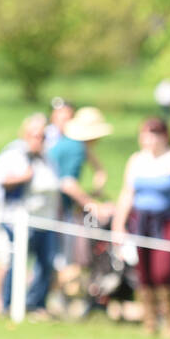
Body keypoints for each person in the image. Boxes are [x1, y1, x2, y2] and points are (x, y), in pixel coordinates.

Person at [113, 117, 170, 337]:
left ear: (165, 136)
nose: (150, 140)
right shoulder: (136, 160)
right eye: (145, 134)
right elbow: (127, 193)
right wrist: (119, 224)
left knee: (164, 271)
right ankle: (150, 322)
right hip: (141, 222)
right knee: (144, 272)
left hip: (167, 221)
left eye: (154, 134)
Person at [0, 114, 61, 318]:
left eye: (42, 136)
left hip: (46, 221)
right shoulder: (13, 156)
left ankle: (36, 303)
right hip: (17, 221)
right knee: (14, 262)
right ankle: (8, 304)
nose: (39, 140)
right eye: (34, 135)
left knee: (45, 263)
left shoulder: (48, 159)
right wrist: (22, 178)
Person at [50, 105, 110, 272]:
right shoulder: (75, 148)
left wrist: (95, 189)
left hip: (57, 205)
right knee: (61, 257)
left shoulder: (72, 144)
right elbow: (67, 183)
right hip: (58, 207)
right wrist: (91, 203)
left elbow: (100, 171)